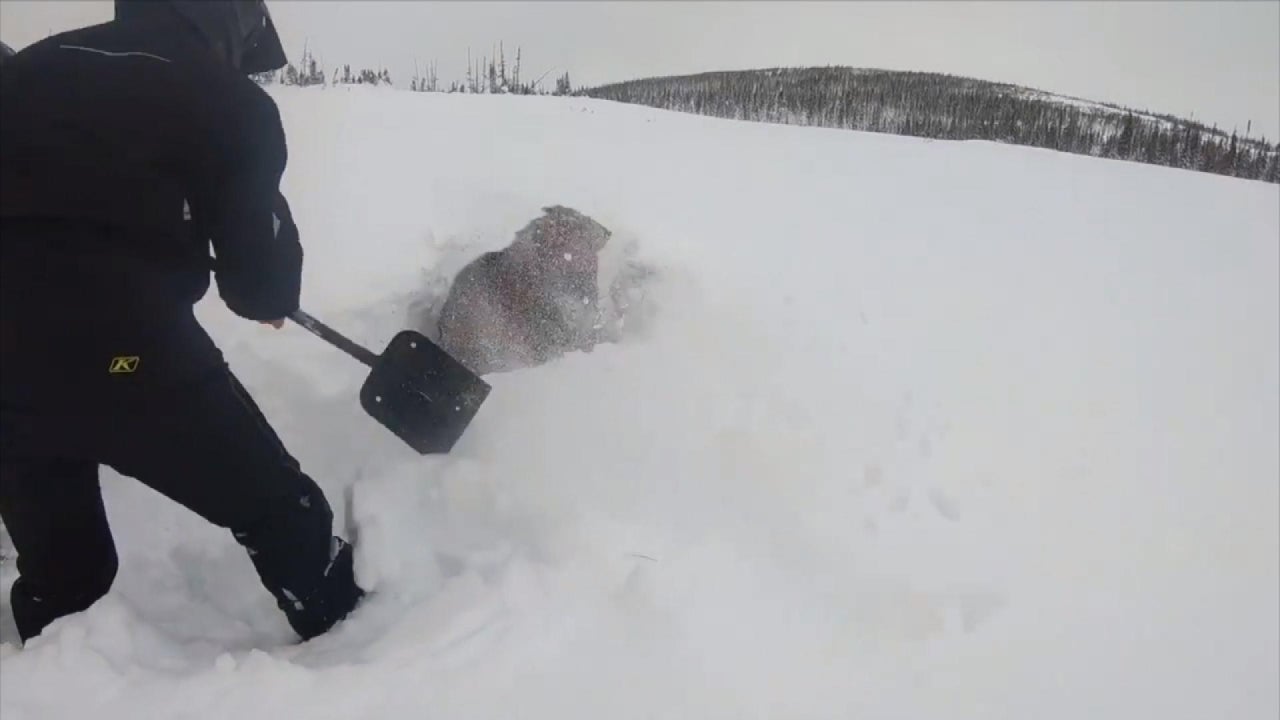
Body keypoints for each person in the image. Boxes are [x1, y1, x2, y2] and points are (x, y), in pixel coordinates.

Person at [0, 0, 363, 644]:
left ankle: (54, 682)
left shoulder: (35, 64)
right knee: (283, 513)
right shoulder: (229, 101)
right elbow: (255, 280)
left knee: (64, 574)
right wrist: (270, 292)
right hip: (129, 358)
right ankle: (360, 649)